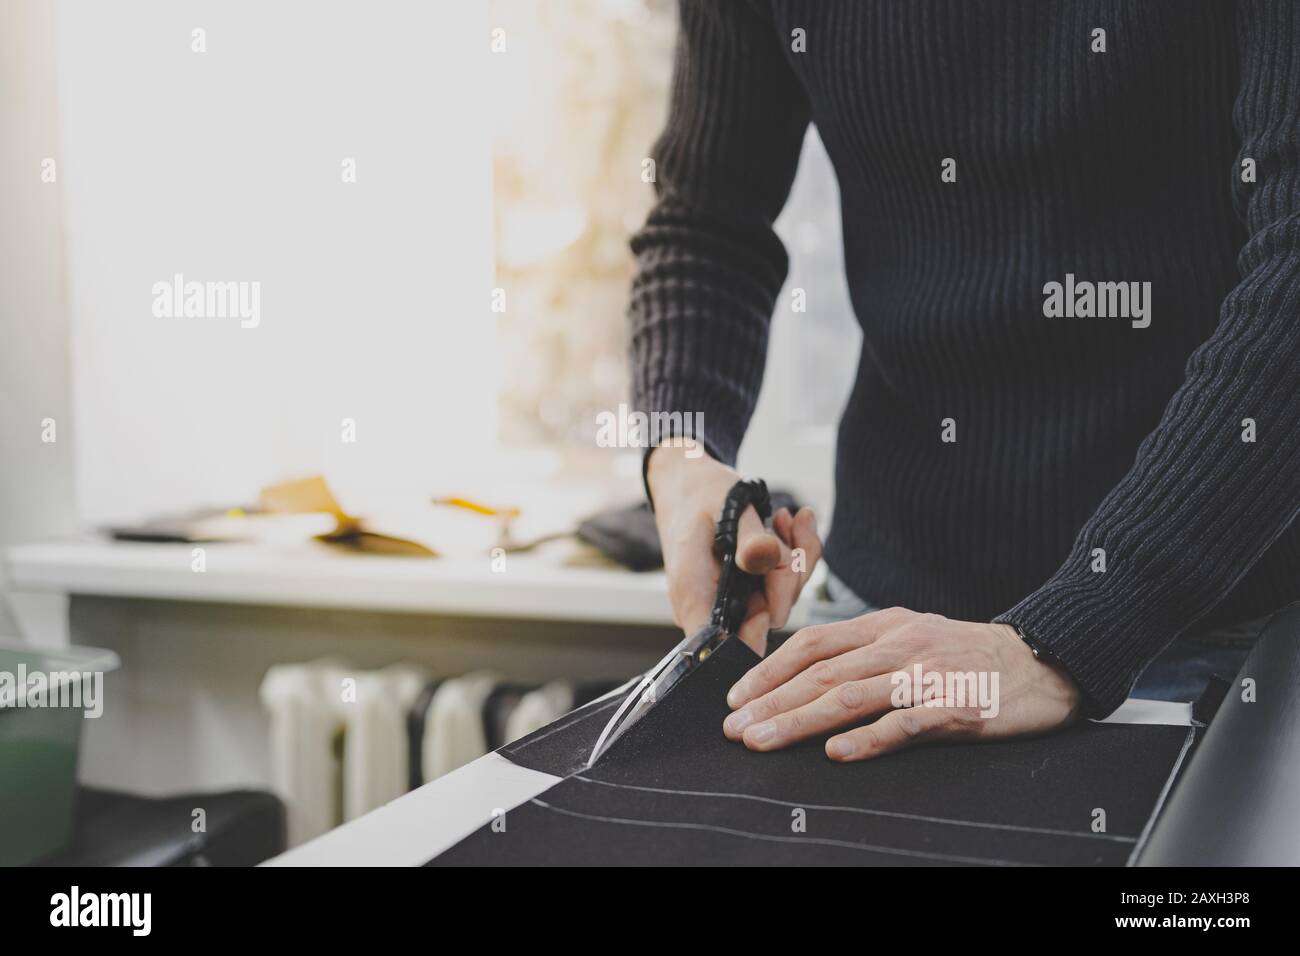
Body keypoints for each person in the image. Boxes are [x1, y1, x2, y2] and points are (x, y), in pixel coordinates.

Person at [629, 0, 1299, 762]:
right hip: (885, 622)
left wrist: (1073, 631)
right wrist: (680, 458)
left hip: (1210, 634)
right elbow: (708, 224)